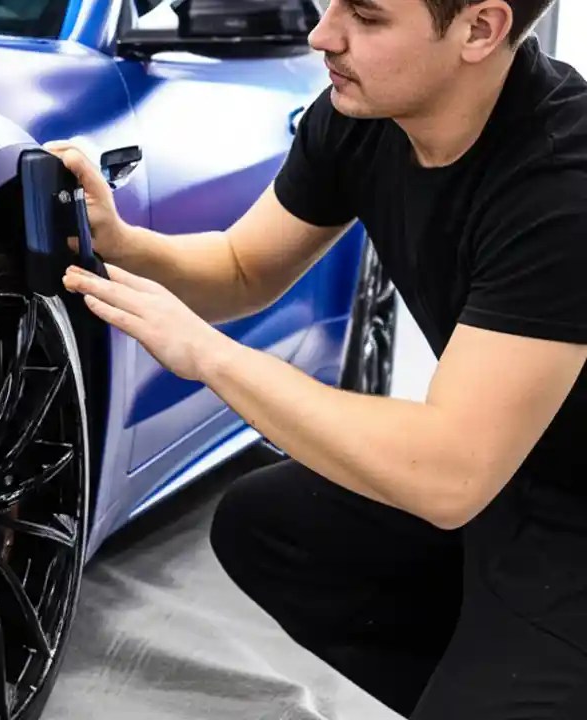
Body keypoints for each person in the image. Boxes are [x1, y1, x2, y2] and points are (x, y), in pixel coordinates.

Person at [45, 0, 587, 717]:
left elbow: (451, 475)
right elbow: (242, 268)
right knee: (270, 525)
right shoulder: (363, 118)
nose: (321, 34)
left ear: (479, 31)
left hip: (565, 517)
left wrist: (209, 356)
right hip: (508, 479)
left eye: (365, 17)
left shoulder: (563, 184)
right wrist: (122, 242)